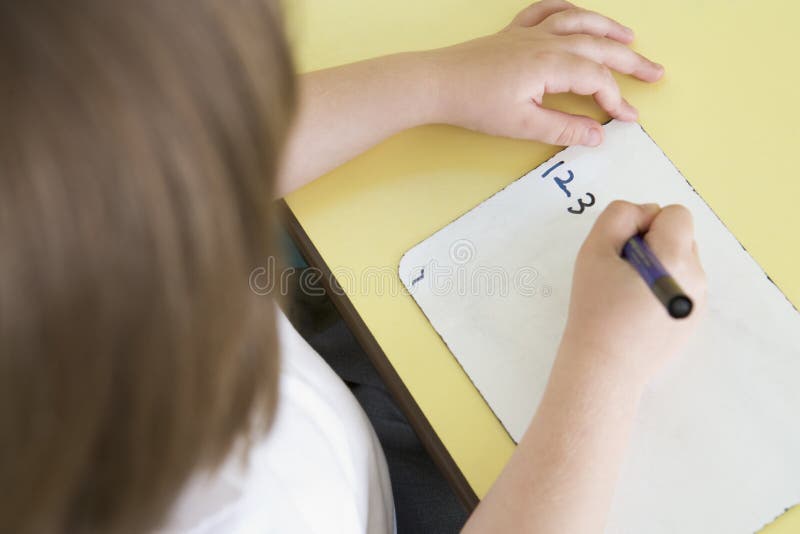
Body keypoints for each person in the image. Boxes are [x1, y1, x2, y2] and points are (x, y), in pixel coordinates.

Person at [0, 0, 706, 533]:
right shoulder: (253, 504)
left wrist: (435, 81)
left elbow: (172, 159)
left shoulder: (59, 238)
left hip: (323, 402)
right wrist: (605, 367)